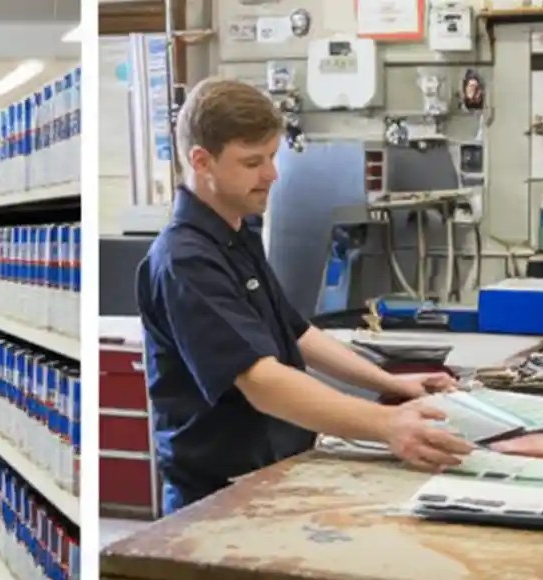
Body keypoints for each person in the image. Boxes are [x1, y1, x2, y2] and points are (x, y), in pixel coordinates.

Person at [135, 77, 472, 516]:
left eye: (272, 157)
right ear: (202, 161)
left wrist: (393, 384)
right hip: (216, 496)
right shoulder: (185, 260)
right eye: (252, 162)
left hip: (272, 472)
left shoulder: (237, 233)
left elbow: (296, 332)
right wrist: (387, 424)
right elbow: (260, 381)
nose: (271, 175)